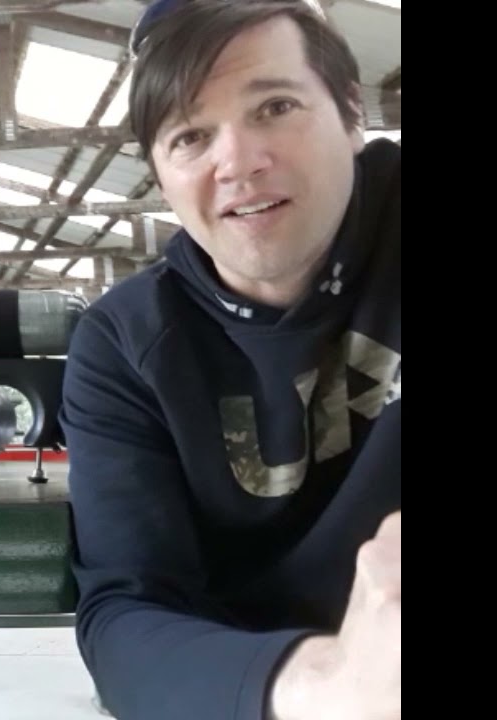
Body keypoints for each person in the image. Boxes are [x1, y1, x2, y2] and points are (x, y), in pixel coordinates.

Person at [59, 0, 400, 718]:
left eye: (275, 106)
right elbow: (127, 614)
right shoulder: (125, 344)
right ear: (159, 175)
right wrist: (324, 684)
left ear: (349, 112)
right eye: (190, 136)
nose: (239, 162)